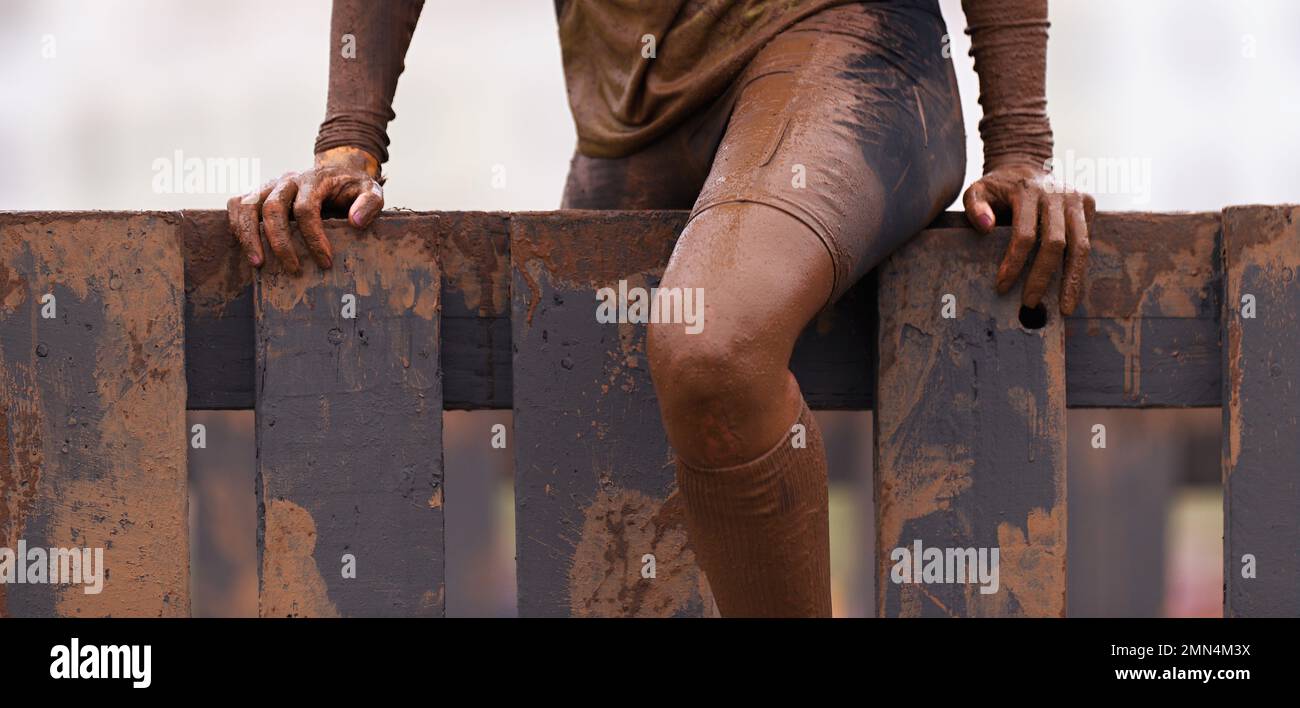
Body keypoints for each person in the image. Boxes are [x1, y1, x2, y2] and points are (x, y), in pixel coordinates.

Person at [227, 0, 1094, 617]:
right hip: (625, 119)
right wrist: (348, 141)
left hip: (840, 48)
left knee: (711, 344)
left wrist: (1022, 140)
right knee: (599, 499)